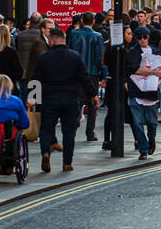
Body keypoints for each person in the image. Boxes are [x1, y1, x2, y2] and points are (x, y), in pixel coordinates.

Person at [31, 27, 95, 173]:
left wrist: (32, 97)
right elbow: (85, 78)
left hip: (49, 99)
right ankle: (67, 163)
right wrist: (93, 94)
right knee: (69, 132)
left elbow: (35, 79)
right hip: (70, 99)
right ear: (64, 39)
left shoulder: (44, 57)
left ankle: (46, 153)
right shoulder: (75, 56)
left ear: (52, 41)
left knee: (46, 129)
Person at [125, 24, 161, 160]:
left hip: (152, 91)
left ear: (148, 37)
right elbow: (135, 69)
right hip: (136, 91)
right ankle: (143, 149)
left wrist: (160, 77)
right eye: (139, 37)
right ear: (136, 38)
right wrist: (153, 72)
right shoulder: (133, 52)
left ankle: (151, 139)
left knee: (152, 122)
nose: (142, 40)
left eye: (145, 37)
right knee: (138, 123)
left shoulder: (155, 51)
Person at [69, 12, 106, 140]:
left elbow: (70, 52)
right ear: (94, 21)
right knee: (92, 104)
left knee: (77, 101)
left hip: (76, 73)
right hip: (92, 73)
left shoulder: (74, 34)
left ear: (81, 20)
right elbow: (100, 57)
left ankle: (73, 128)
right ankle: (90, 133)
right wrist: (103, 74)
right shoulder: (97, 36)